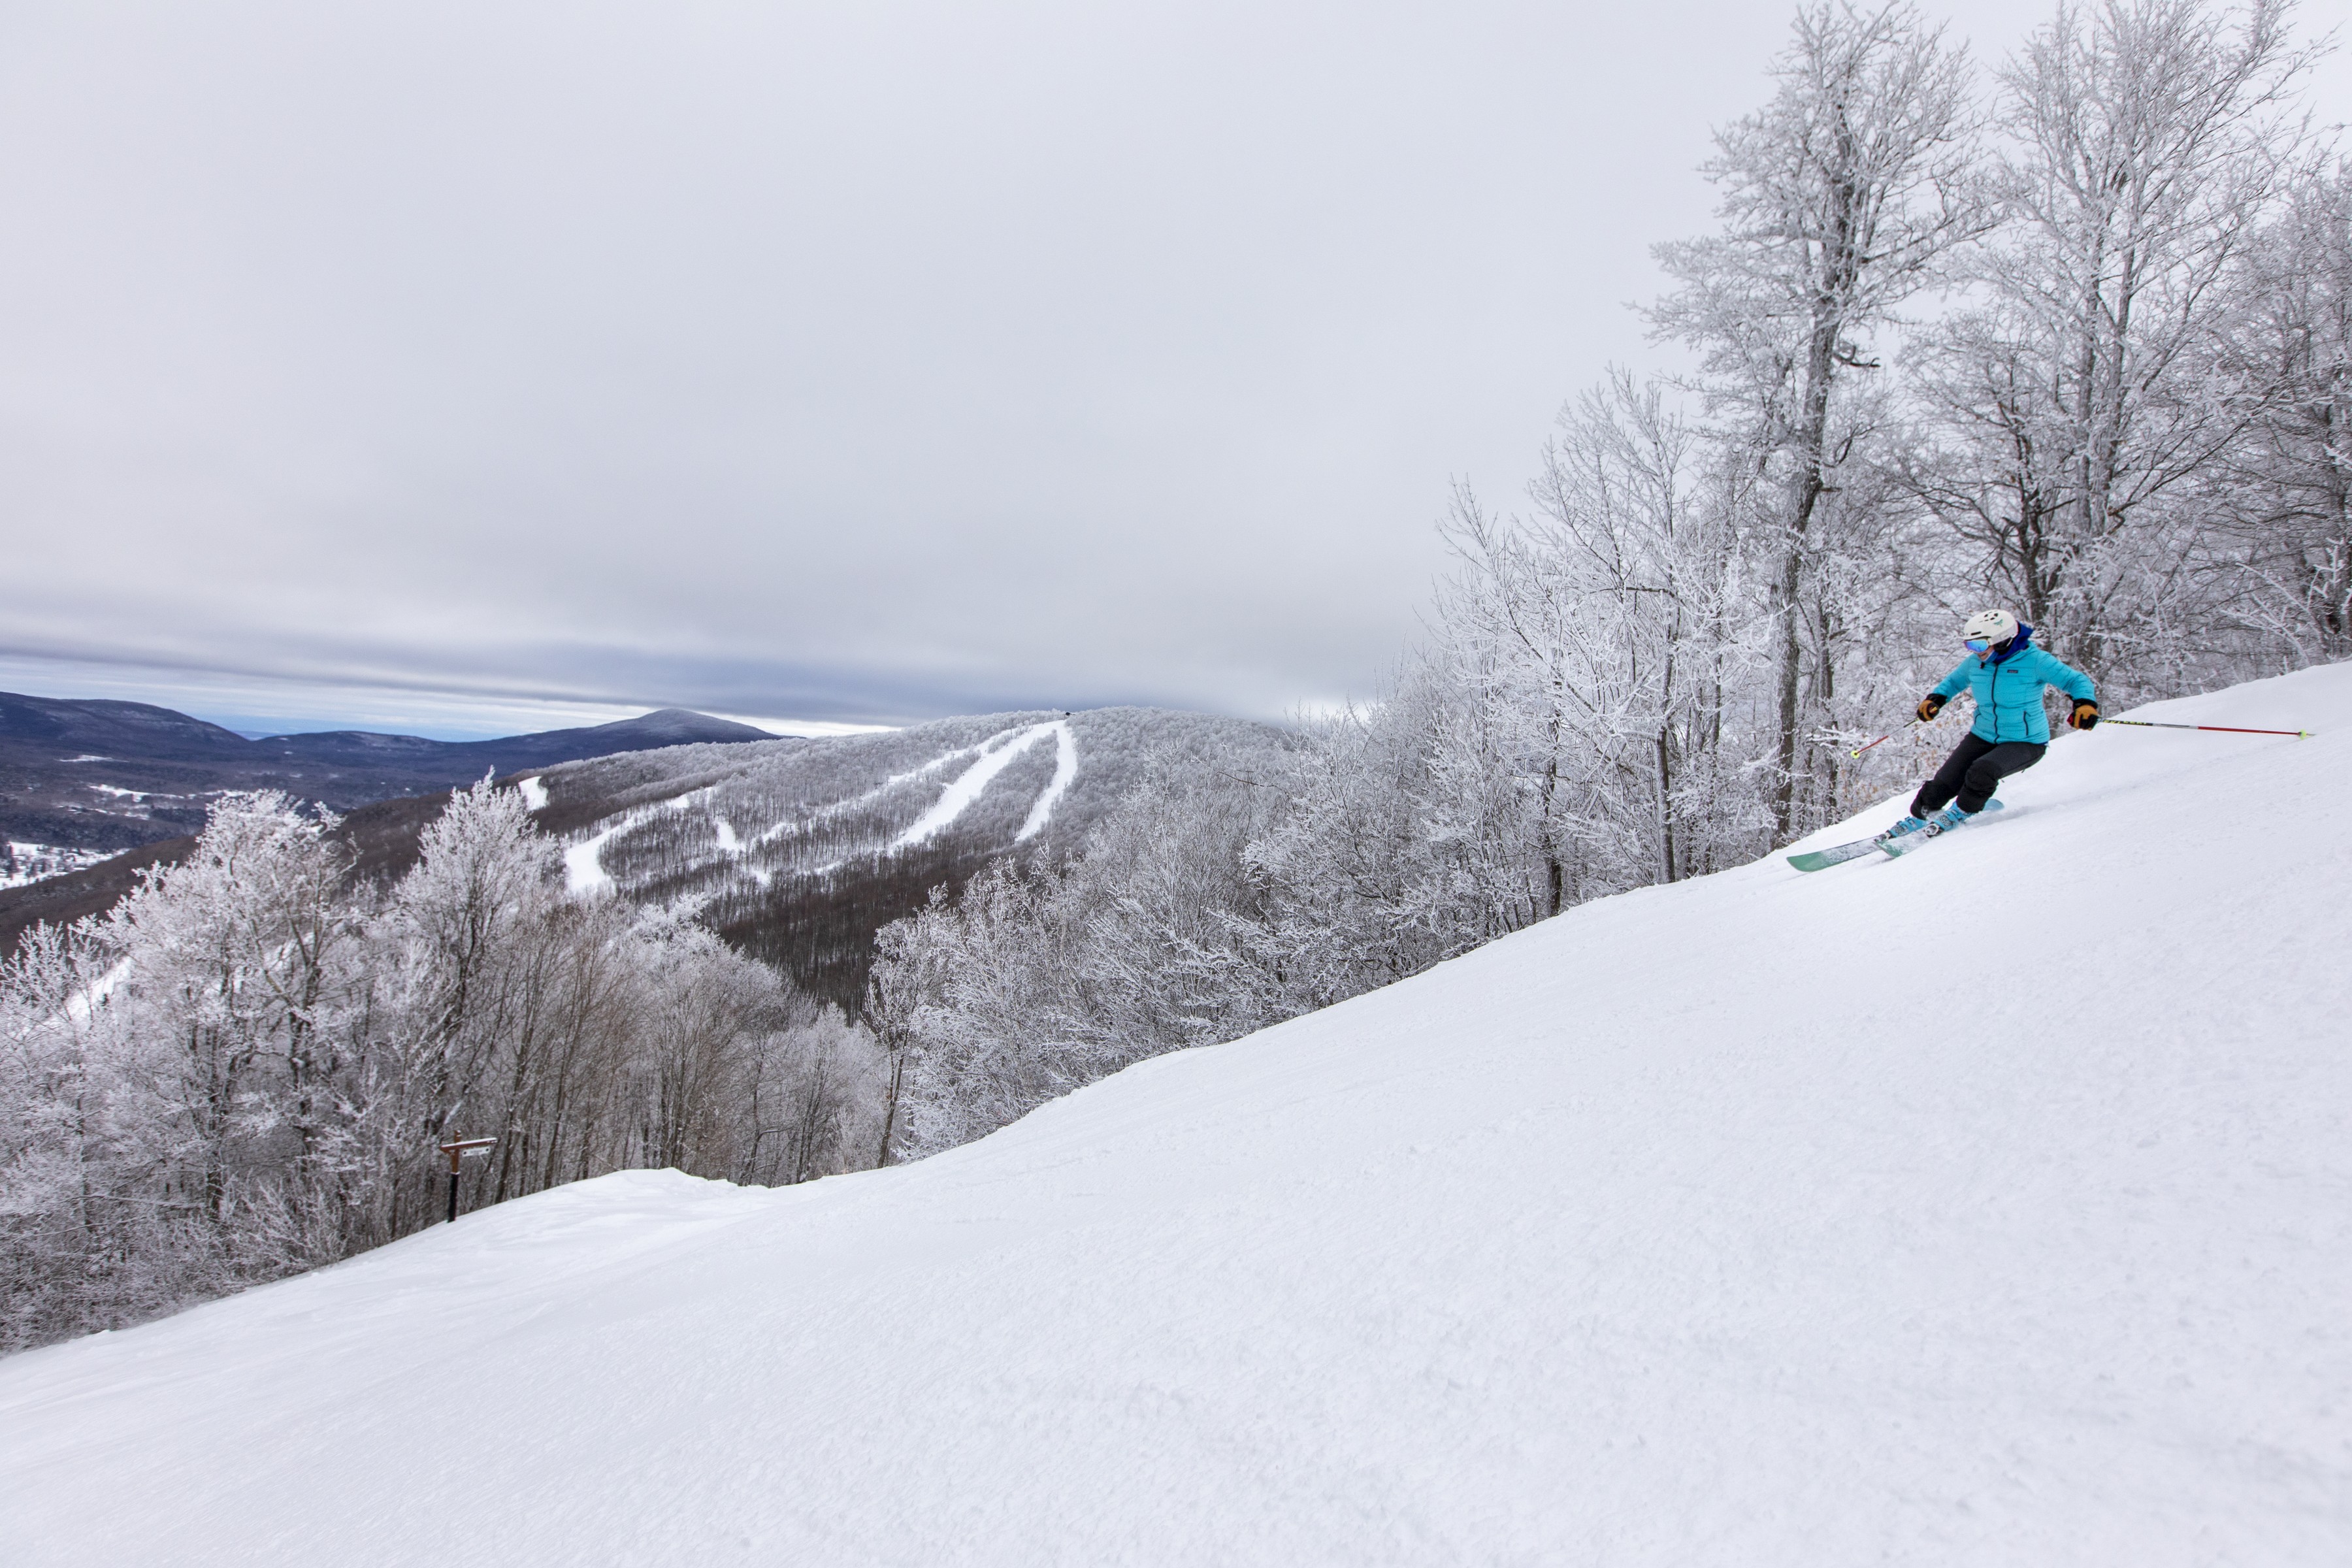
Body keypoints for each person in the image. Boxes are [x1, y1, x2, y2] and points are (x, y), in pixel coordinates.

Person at [1879, 608, 2098, 845]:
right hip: (1982, 735)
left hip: (2025, 741)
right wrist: (1936, 699)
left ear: (2003, 642)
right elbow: (1953, 682)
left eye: (1979, 646)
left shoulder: (2036, 661)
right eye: (1970, 646)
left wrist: (2085, 704)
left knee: (1983, 770)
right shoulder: (1976, 663)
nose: (1975, 653)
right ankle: (1921, 817)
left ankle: (1963, 812)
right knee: (1944, 781)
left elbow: (2075, 680)